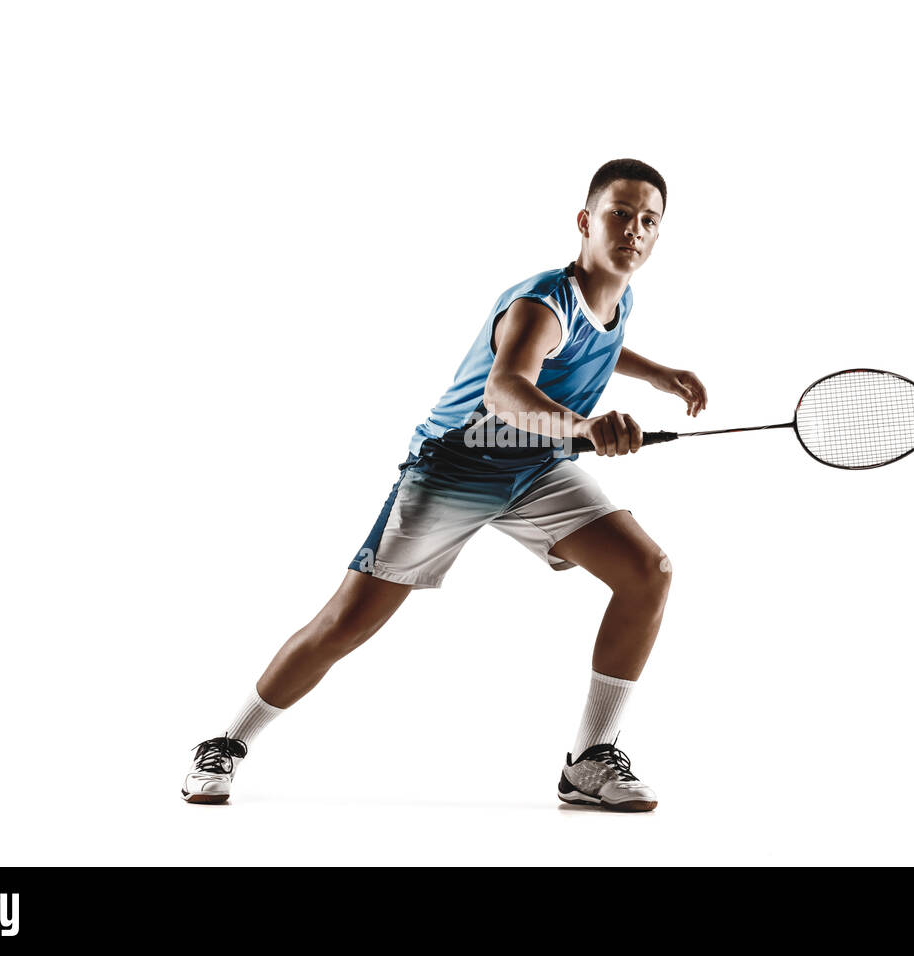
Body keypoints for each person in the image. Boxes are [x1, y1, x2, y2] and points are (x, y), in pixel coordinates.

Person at [182, 158, 708, 811]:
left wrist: (655, 373)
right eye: (620, 215)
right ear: (585, 221)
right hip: (457, 465)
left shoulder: (618, 296)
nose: (633, 230)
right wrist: (586, 426)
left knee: (647, 570)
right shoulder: (541, 302)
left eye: (648, 221)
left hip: (534, 468)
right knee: (346, 621)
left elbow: (595, 344)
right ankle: (226, 744)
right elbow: (507, 387)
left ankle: (590, 760)